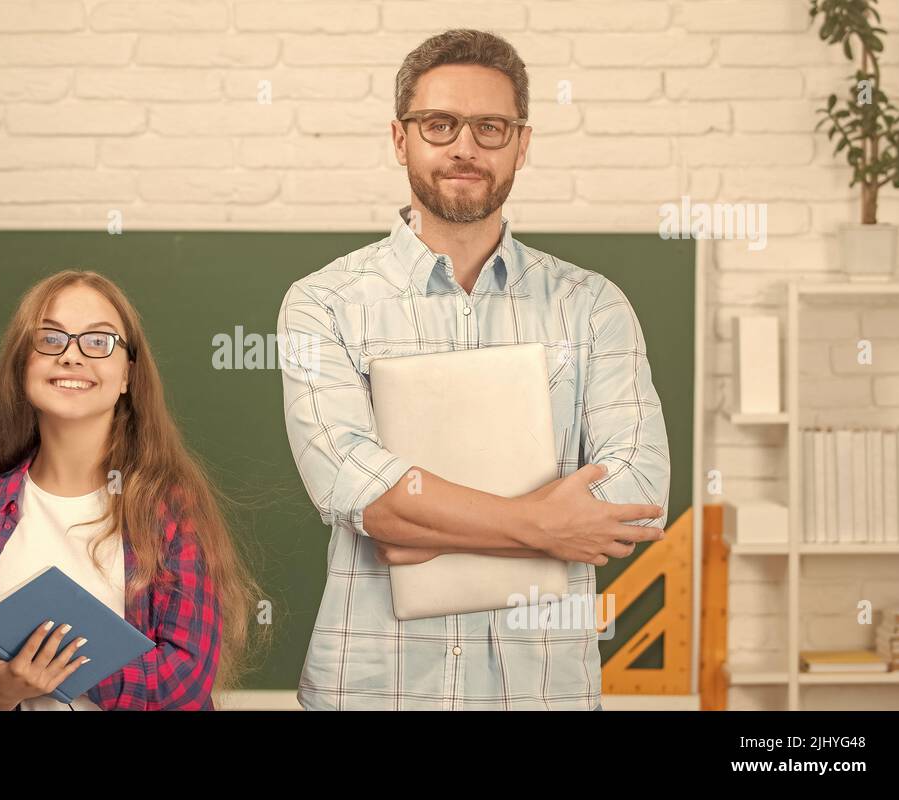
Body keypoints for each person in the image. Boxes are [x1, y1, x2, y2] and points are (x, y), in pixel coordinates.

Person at [277, 29, 670, 710]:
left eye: (491, 127)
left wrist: (426, 527)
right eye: (440, 124)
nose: (465, 147)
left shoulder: (593, 307)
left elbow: (634, 493)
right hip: (374, 689)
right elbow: (355, 487)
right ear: (401, 140)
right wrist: (546, 528)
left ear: (522, 143)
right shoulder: (323, 304)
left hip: (543, 691)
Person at [0, 270, 259, 710]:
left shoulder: (171, 510)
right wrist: (4, 688)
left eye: (99, 342)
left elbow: (184, 681)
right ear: (22, 365)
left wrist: (55, 666)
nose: (71, 356)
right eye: (50, 339)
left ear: (127, 375)